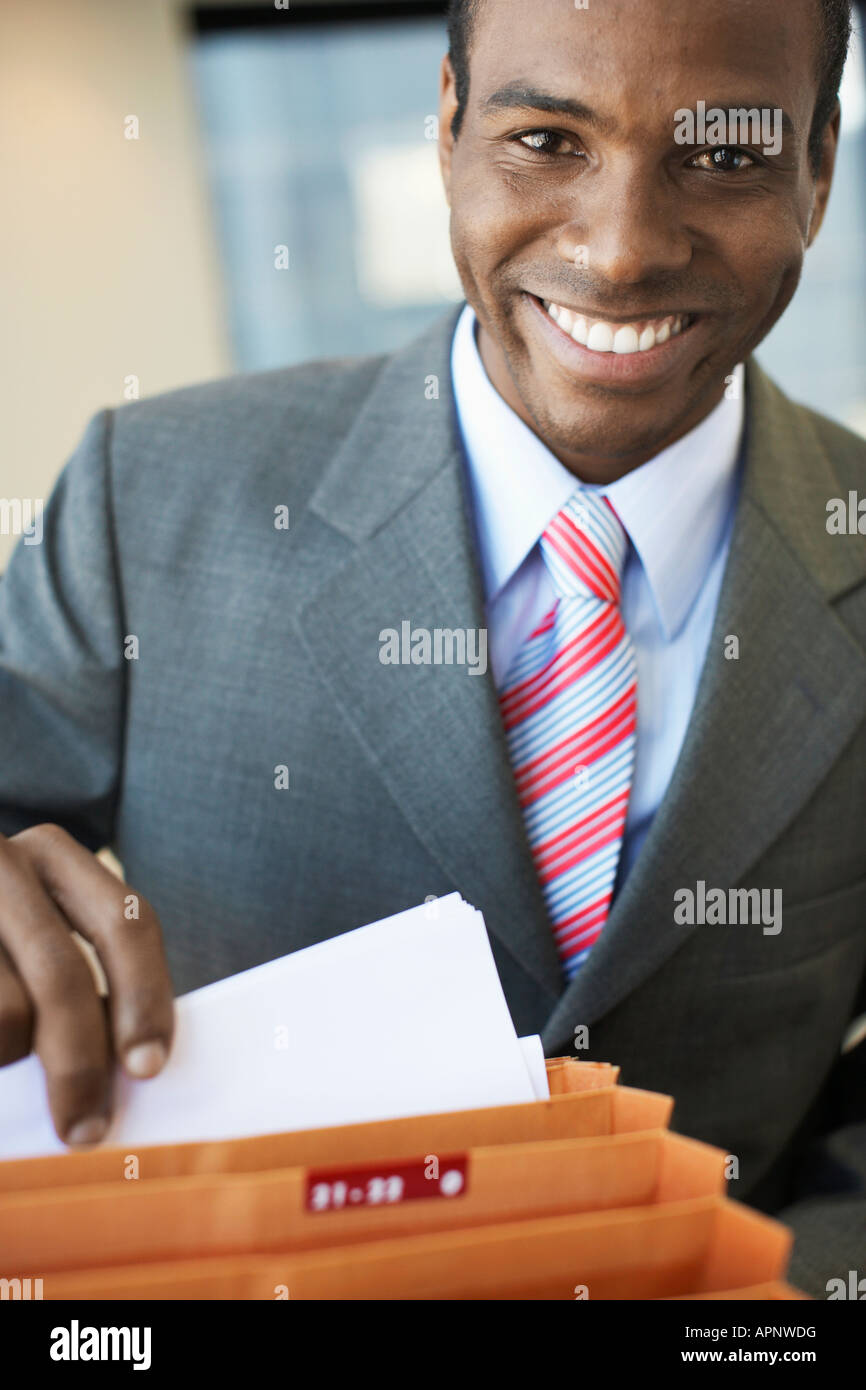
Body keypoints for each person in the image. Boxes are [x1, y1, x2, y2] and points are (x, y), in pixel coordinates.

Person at [0, 0, 863, 1297]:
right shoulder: (152, 494)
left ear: (818, 165)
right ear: (449, 126)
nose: (620, 250)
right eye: (545, 139)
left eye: (726, 156)